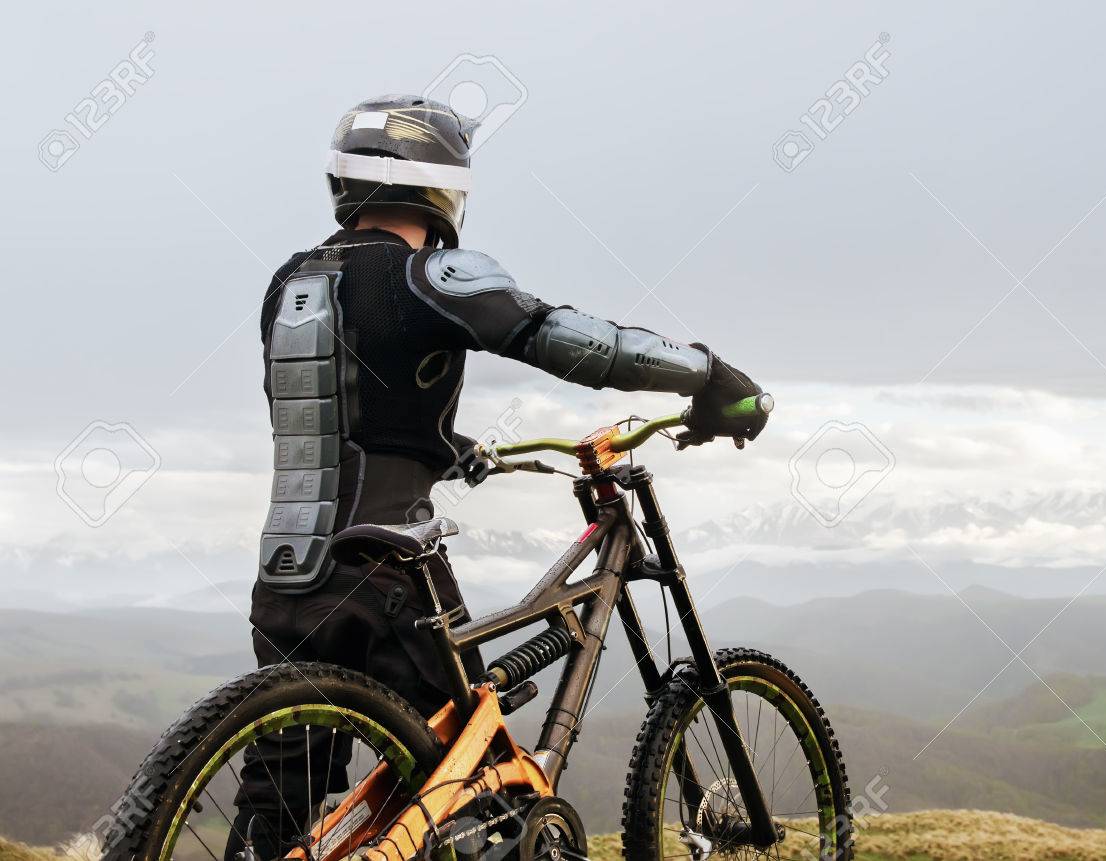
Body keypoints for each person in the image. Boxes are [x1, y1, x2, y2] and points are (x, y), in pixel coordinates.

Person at [226, 94, 766, 858]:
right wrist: (704, 373)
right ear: (441, 187)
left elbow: (346, 410)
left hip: (285, 580)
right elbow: (568, 339)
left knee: (276, 807)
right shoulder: (429, 276)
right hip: (385, 576)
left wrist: (449, 444)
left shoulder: (290, 285)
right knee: (478, 791)